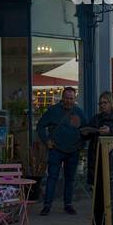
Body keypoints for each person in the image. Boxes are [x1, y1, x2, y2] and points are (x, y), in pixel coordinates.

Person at [36, 87, 87, 216]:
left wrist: (82, 145)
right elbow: (40, 126)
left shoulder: (79, 112)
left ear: (75, 99)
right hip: (56, 150)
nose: (69, 101)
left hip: (73, 151)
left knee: (70, 179)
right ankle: (47, 205)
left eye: (71, 98)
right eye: (67, 98)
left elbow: (85, 130)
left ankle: (68, 204)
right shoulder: (53, 111)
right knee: (52, 177)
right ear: (62, 98)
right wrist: (46, 140)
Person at [83, 92, 113, 188]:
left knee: (112, 184)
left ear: (111, 102)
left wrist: (110, 131)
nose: (102, 105)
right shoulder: (97, 117)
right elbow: (89, 132)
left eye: (105, 103)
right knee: (97, 185)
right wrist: (85, 133)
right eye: (100, 103)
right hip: (96, 153)